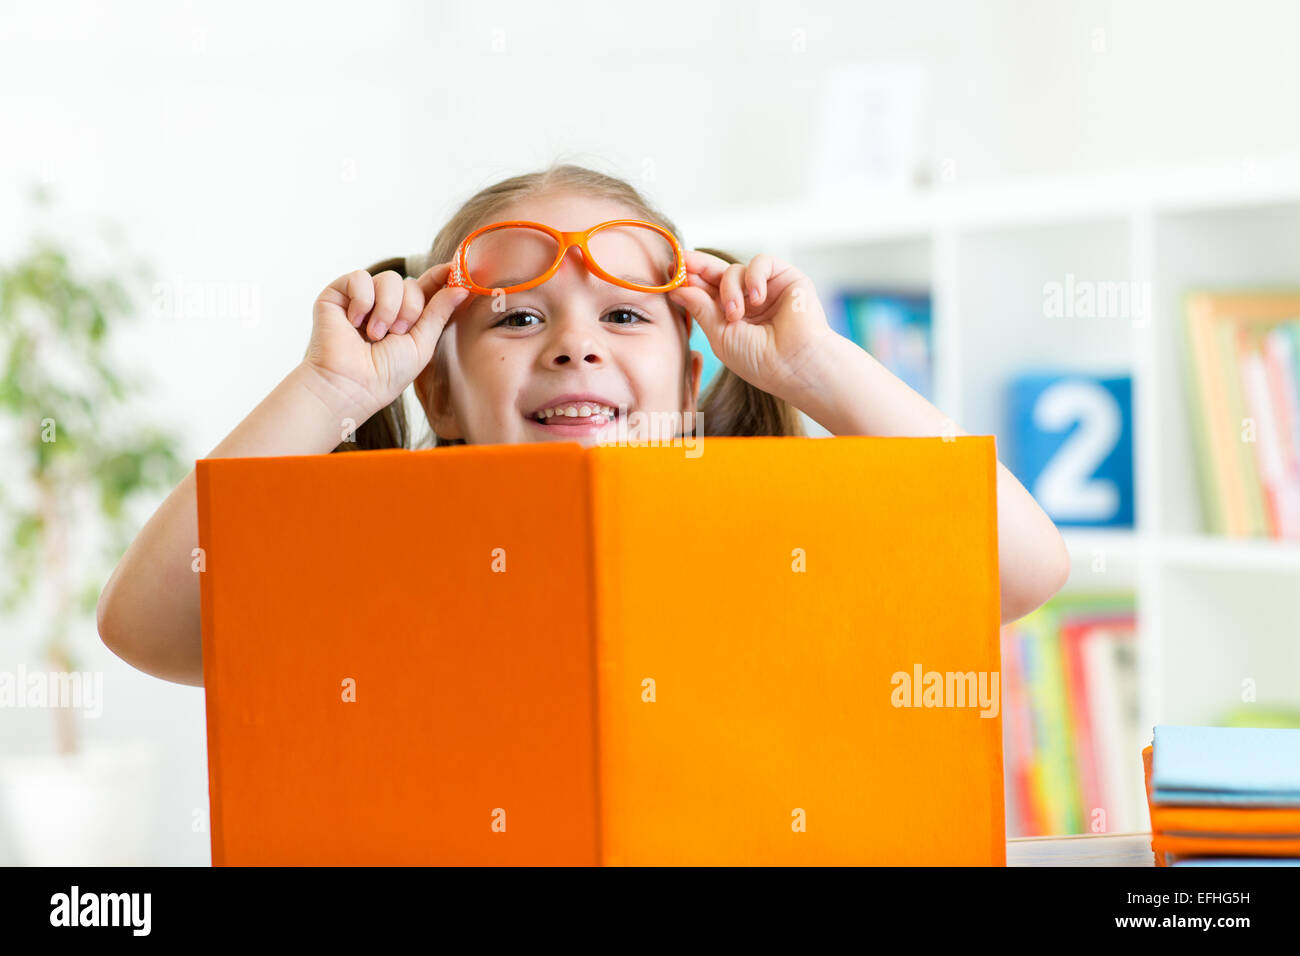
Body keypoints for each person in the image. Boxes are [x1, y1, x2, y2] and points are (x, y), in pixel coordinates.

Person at [96, 162, 1068, 687]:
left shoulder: (778, 538)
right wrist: (329, 391)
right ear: (434, 393)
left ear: (691, 371)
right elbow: (148, 625)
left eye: (625, 314)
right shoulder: (381, 558)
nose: (574, 345)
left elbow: (1020, 567)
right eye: (517, 316)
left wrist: (814, 365)